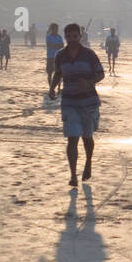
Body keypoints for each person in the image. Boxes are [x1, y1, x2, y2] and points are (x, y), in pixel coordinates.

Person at [53, 22, 105, 187]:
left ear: (79, 36)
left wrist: (89, 83)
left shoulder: (89, 54)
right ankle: (73, 174)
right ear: (65, 37)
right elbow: (58, 73)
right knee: (72, 139)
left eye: (74, 36)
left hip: (88, 102)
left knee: (87, 137)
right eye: (68, 36)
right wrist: (52, 88)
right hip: (69, 102)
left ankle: (88, 162)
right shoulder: (61, 55)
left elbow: (100, 74)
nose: (71, 39)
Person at [45, 23, 64, 98]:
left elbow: (62, 45)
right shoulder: (48, 37)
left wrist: (55, 46)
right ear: (52, 29)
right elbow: (49, 45)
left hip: (58, 57)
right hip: (50, 57)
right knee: (50, 73)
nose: (56, 30)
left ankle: (59, 87)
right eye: (55, 29)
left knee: (59, 73)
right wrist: (57, 46)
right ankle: (51, 88)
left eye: (57, 29)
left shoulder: (59, 37)